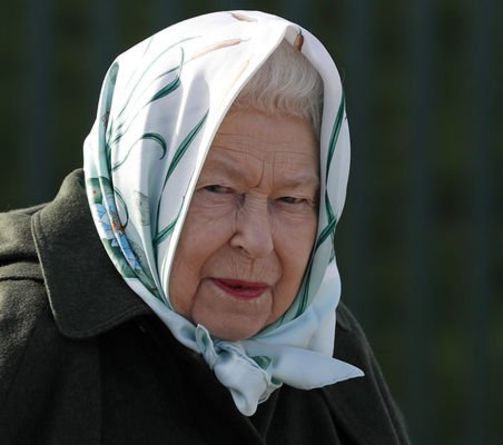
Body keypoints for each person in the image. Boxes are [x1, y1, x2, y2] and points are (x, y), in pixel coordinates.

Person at [0, 10, 409, 444]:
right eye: (217, 189)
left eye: (291, 200)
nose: (255, 242)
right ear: (143, 182)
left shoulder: (325, 345)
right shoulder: (23, 333)